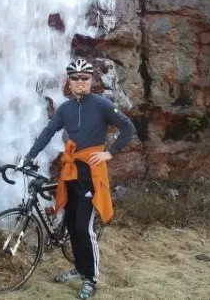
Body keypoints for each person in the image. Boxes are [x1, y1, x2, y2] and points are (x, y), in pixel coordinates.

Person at [23, 58, 136, 299]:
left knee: (85, 229)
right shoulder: (65, 108)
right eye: (75, 78)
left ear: (92, 80)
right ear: (69, 82)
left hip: (91, 174)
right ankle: (79, 268)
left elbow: (128, 128)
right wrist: (29, 156)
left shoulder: (102, 104)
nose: (80, 82)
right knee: (73, 226)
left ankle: (91, 278)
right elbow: (47, 132)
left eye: (85, 78)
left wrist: (109, 153)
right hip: (71, 171)